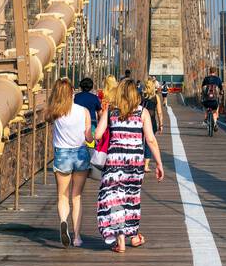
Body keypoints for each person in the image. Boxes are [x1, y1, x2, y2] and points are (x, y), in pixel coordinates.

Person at [94, 78, 164, 252]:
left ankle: (121, 241)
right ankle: (133, 234)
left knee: (115, 199)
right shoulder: (143, 112)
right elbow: (150, 140)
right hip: (135, 163)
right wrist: (159, 164)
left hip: (114, 162)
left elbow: (97, 135)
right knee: (131, 199)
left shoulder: (111, 110)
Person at [46, 77, 93, 248]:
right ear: (73, 92)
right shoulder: (84, 111)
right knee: (77, 196)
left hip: (62, 155)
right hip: (80, 154)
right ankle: (77, 237)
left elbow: (46, 117)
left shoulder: (55, 112)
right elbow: (89, 138)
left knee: (62, 195)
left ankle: (63, 221)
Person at [140, 77, 163, 170]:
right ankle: (146, 165)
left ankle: (139, 161)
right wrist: (161, 124)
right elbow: (159, 112)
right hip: (151, 122)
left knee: (139, 142)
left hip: (139, 121)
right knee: (149, 142)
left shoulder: (140, 96)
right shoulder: (156, 97)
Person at [201, 66, 224, 134]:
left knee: (205, 107)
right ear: (215, 72)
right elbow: (221, 89)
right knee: (215, 110)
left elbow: (203, 88)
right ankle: (215, 123)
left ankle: (205, 118)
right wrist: (221, 93)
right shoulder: (218, 79)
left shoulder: (206, 79)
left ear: (209, 72)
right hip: (214, 101)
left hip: (207, 100)